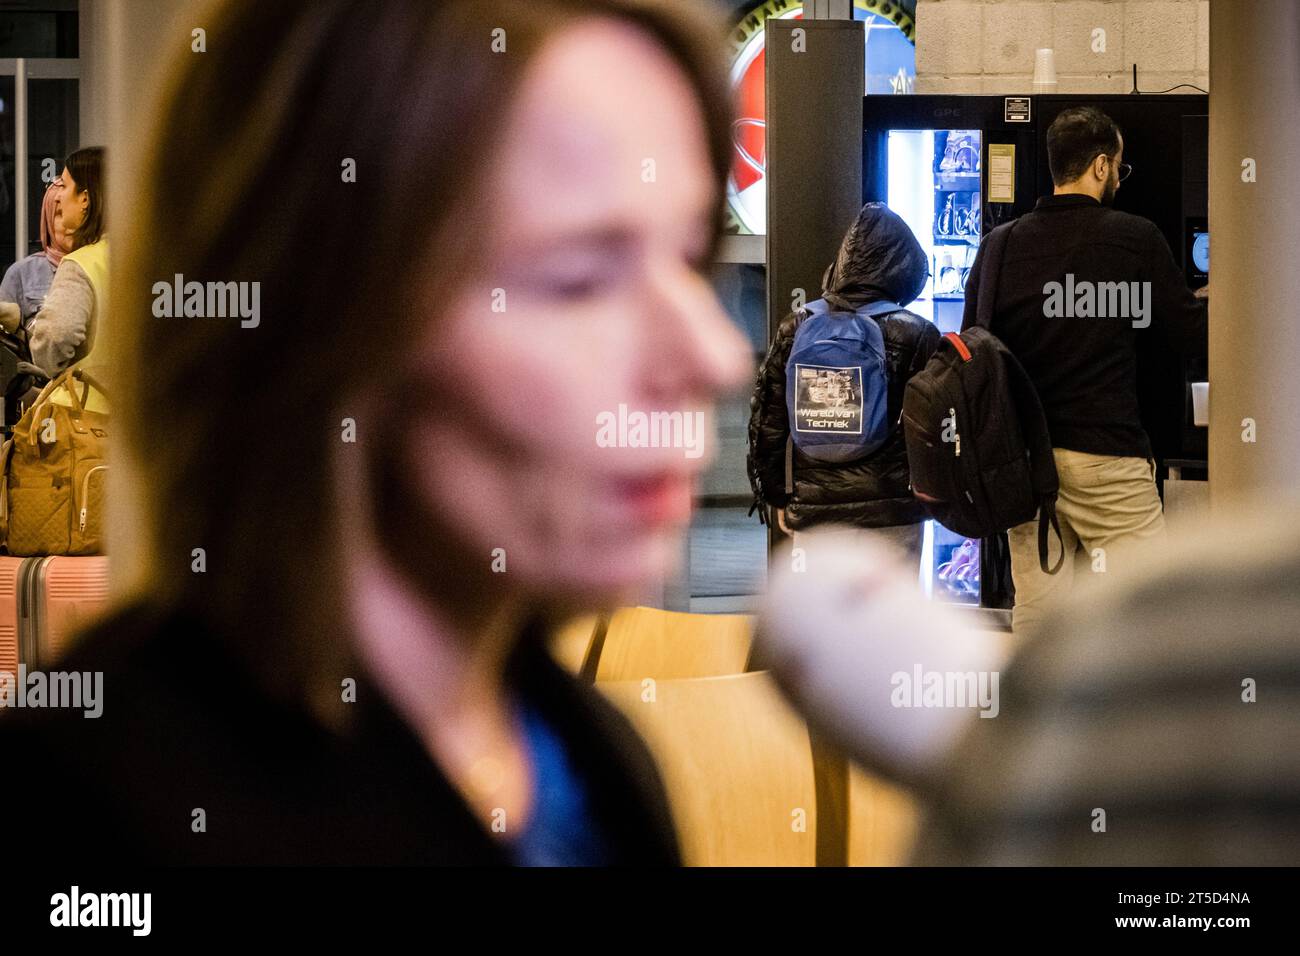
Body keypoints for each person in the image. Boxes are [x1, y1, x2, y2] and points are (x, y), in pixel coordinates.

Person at [0, 0, 748, 865]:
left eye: (690, 258)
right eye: (579, 278)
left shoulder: (592, 759)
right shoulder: (93, 808)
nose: (712, 353)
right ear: (317, 315)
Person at [961, 106, 1207, 635]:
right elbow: (1190, 333)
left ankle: (1037, 718)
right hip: (1107, 459)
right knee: (1147, 613)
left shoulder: (998, 246)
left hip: (1026, 467)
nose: (1119, 175)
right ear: (1100, 166)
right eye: (1120, 166)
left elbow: (971, 350)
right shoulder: (1133, 238)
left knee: (1040, 618)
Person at [747, 202, 941, 564]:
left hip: (815, 511)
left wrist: (780, 497)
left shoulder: (797, 325)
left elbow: (768, 420)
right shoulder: (917, 334)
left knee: (819, 619)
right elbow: (931, 430)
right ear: (905, 268)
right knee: (893, 618)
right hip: (892, 512)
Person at [28, 147, 108, 377]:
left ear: (84, 198)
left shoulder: (82, 264)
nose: (58, 196)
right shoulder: (146, 257)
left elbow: (54, 336)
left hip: (87, 406)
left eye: (64, 185)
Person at [0, 180, 73, 336]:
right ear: (48, 219)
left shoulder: (101, 265)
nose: (69, 222)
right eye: (59, 213)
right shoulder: (22, 273)